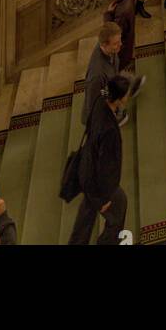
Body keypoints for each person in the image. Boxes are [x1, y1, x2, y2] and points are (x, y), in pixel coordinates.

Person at [68, 74, 133, 246]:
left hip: (89, 176)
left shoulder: (99, 101)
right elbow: (105, 166)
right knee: (118, 209)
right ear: (119, 98)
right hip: (99, 184)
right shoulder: (109, 131)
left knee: (84, 222)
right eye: (126, 94)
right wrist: (101, 199)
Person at [104, 0, 138, 71]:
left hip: (121, 51)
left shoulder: (121, 13)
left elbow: (110, 33)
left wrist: (108, 14)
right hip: (129, 41)